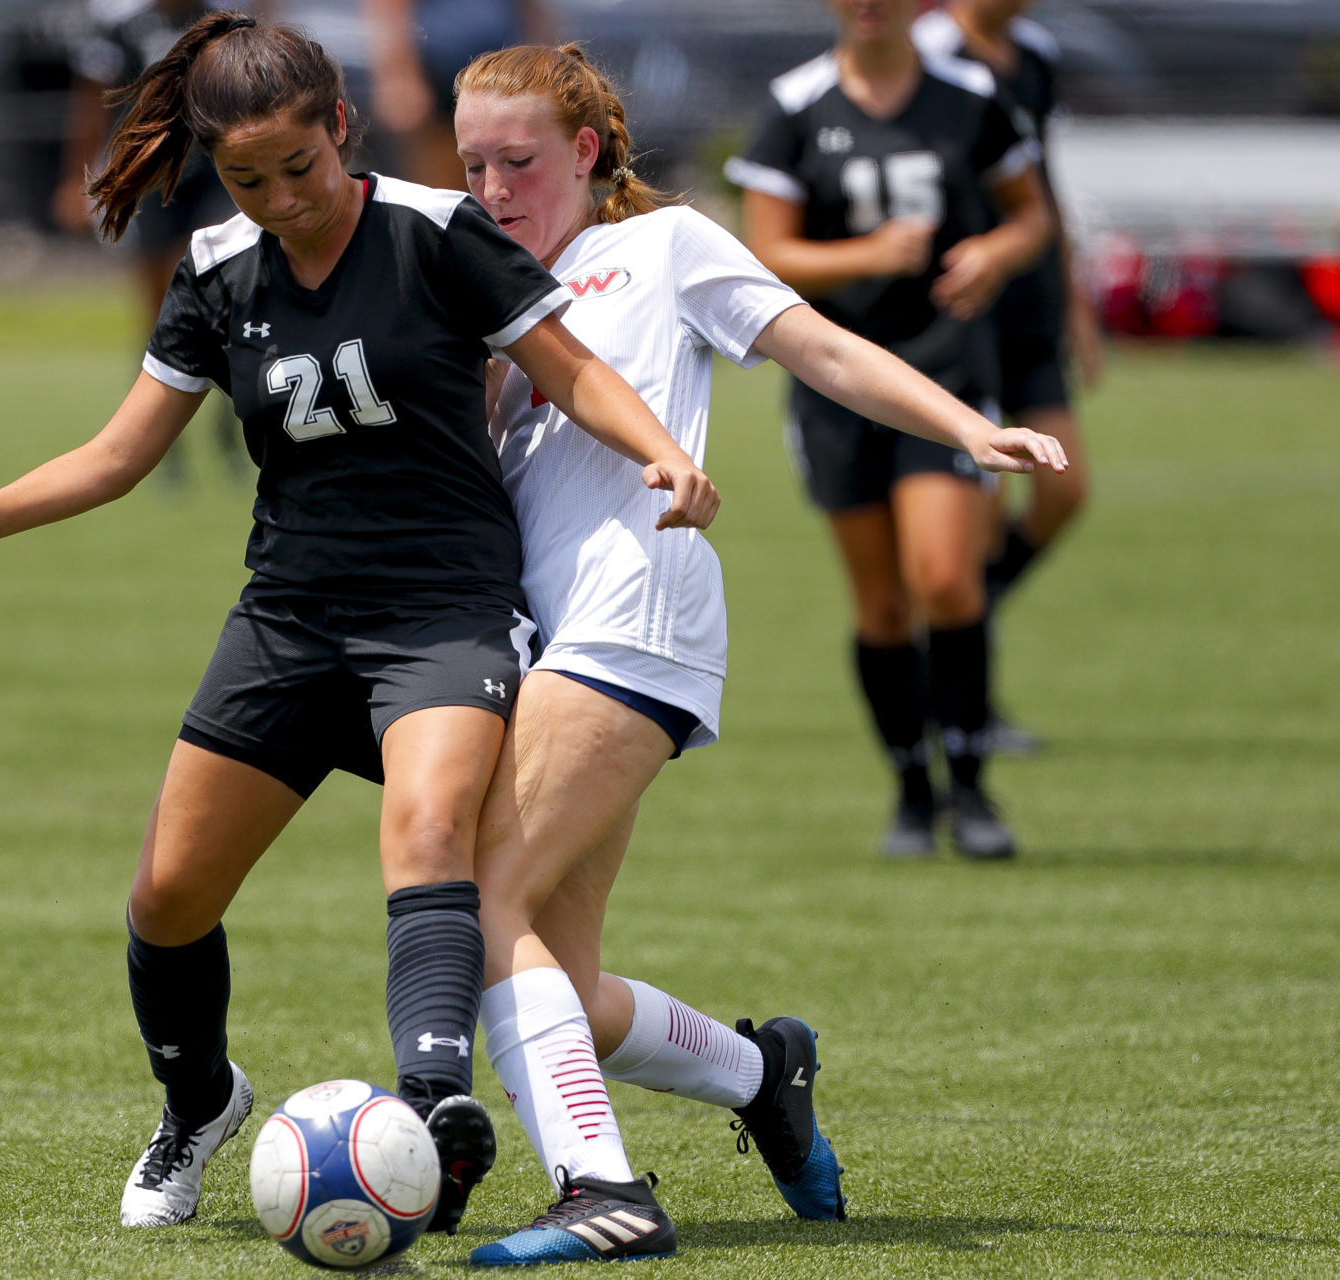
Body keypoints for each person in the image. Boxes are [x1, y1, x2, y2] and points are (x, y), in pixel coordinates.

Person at [0, 11, 717, 1236]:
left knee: (427, 833)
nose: (281, 199)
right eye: (246, 177)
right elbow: (119, 455)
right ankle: (200, 1100)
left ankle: (432, 1116)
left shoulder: (436, 232)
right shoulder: (216, 269)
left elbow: (574, 368)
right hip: (289, 621)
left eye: (300, 169)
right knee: (168, 896)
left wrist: (662, 458)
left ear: (343, 128)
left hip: (444, 612)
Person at [449, 43, 1066, 1264]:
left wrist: (966, 427)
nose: (493, 186)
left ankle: (601, 1191)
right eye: (472, 164)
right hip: (536, 633)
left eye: (518, 160)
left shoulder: (669, 244)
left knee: (479, 905)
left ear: (586, 150)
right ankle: (761, 1070)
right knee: (558, 976)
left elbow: (818, 346)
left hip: (638, 612)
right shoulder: (483, 276)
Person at [726, 0, 1052, 859]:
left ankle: (973, 791)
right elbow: (763, 253)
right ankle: (912, 794)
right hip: (836, 379)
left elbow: (1031, 212)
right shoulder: (798, 105)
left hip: (946, 367)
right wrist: (868, 257)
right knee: (879, 602)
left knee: (946, 577)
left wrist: (996, 251)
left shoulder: (969, 95)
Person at [913, 0, 1098, 754]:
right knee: (976, 519)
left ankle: (957, 637)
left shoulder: (1037, 54)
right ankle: (969, 709)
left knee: (1063, 489)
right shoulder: (927, 51)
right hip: (962, 313)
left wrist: (1075, 299)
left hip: (1030, 305)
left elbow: (1039, 187)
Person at [54, 0, 250, 486]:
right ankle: (164, 449)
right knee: (162, 314)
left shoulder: (220, 23)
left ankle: (237, 430)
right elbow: (92, 103)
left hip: (214, 177)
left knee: (233, 305)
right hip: (154, 180)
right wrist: (76, 179)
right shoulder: (121, 29)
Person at [362, 0, 552, 189]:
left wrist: (548, 62)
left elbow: (532, 9)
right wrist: (399, 77)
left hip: (507, 75)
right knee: (444, 192)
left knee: (510, 181)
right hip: (439, 81)